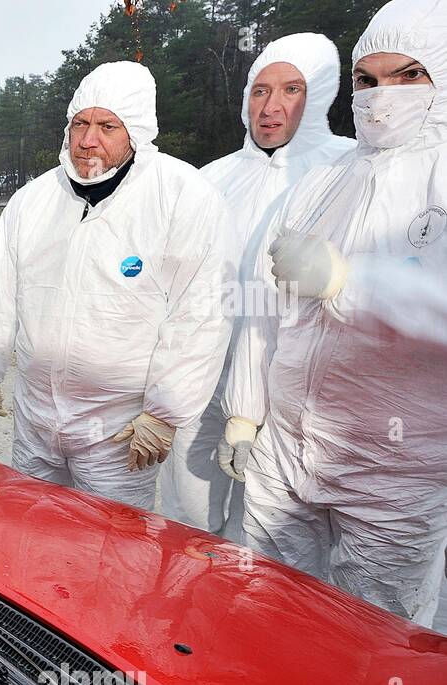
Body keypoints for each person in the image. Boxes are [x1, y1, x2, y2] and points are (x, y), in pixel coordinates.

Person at [227, 0, 447, 626]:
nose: (384, 96)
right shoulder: (325, 182)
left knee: (371, 637)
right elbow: (265, 303)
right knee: (267, 609)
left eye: (408, 75)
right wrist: (246, 412)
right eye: (368, 80)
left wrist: (349, 282)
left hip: (395, 471)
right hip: (288, 450)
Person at [0, 61, 234, 509]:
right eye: (79, 124)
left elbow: (199, 312)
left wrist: (164, 413)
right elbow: (1, 297)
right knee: (29, 529)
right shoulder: (34, 201)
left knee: (110, 550)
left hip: (120, 429)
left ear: (136, 131)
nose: (87, 140)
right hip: (36, 415)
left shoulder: (182, 196)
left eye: (107, 126)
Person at [158, 34, 354, 539]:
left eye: (291, 90)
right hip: (204, 381)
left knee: (272, 535)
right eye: (259, 91)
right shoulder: (211, 180)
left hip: (294, 396)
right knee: (190, 515)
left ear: (321, 96)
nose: (270, 108)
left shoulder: (349, 172)